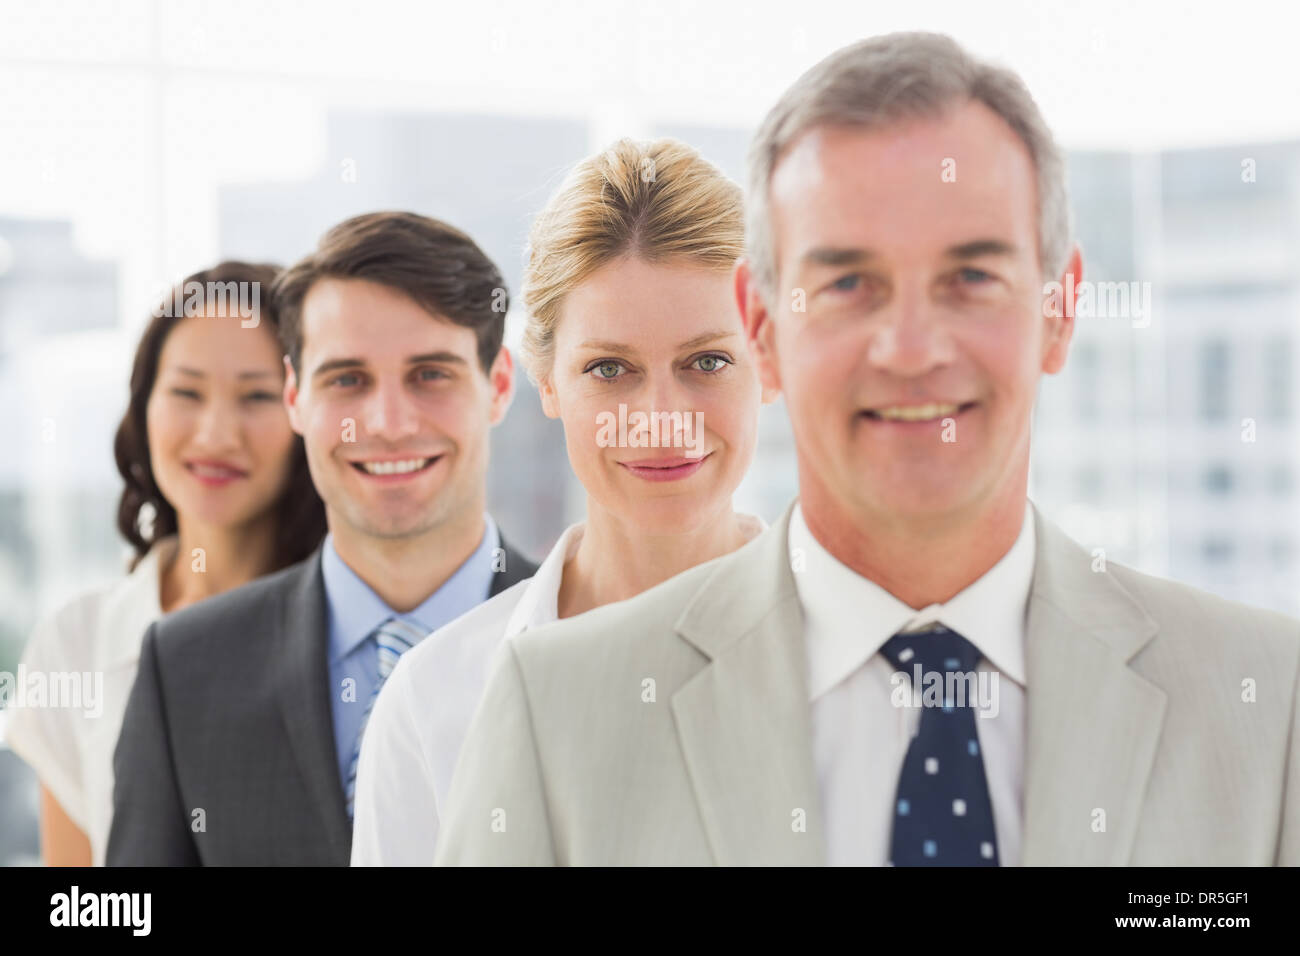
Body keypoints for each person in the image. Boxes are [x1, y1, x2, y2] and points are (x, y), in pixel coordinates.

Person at [434, 32, 1300, 866]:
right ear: (764, 325)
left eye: (971, 277)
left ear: (1059, 307)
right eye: (849, 282)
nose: (912, 347)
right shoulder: (556, 715)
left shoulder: (1266, 707)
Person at [350, 138, 775, 865]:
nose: (661, 416)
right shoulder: (436, 704)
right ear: (546, 379)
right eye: (610, 369)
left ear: (766, 357)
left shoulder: (875, 663)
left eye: (708, 361)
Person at [106, 212, 538, 865]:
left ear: (499, 385)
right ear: (295, 396)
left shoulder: (586, 636)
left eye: (430, 374)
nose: (389, 423)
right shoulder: (185, 668)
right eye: (347, 379)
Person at [5, 261, 327, 866]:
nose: (215, 433)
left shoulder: (355, 629)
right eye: (185, 392)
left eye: (256, 395)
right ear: (144, 407)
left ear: (302, 409)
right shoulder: (78, 642)